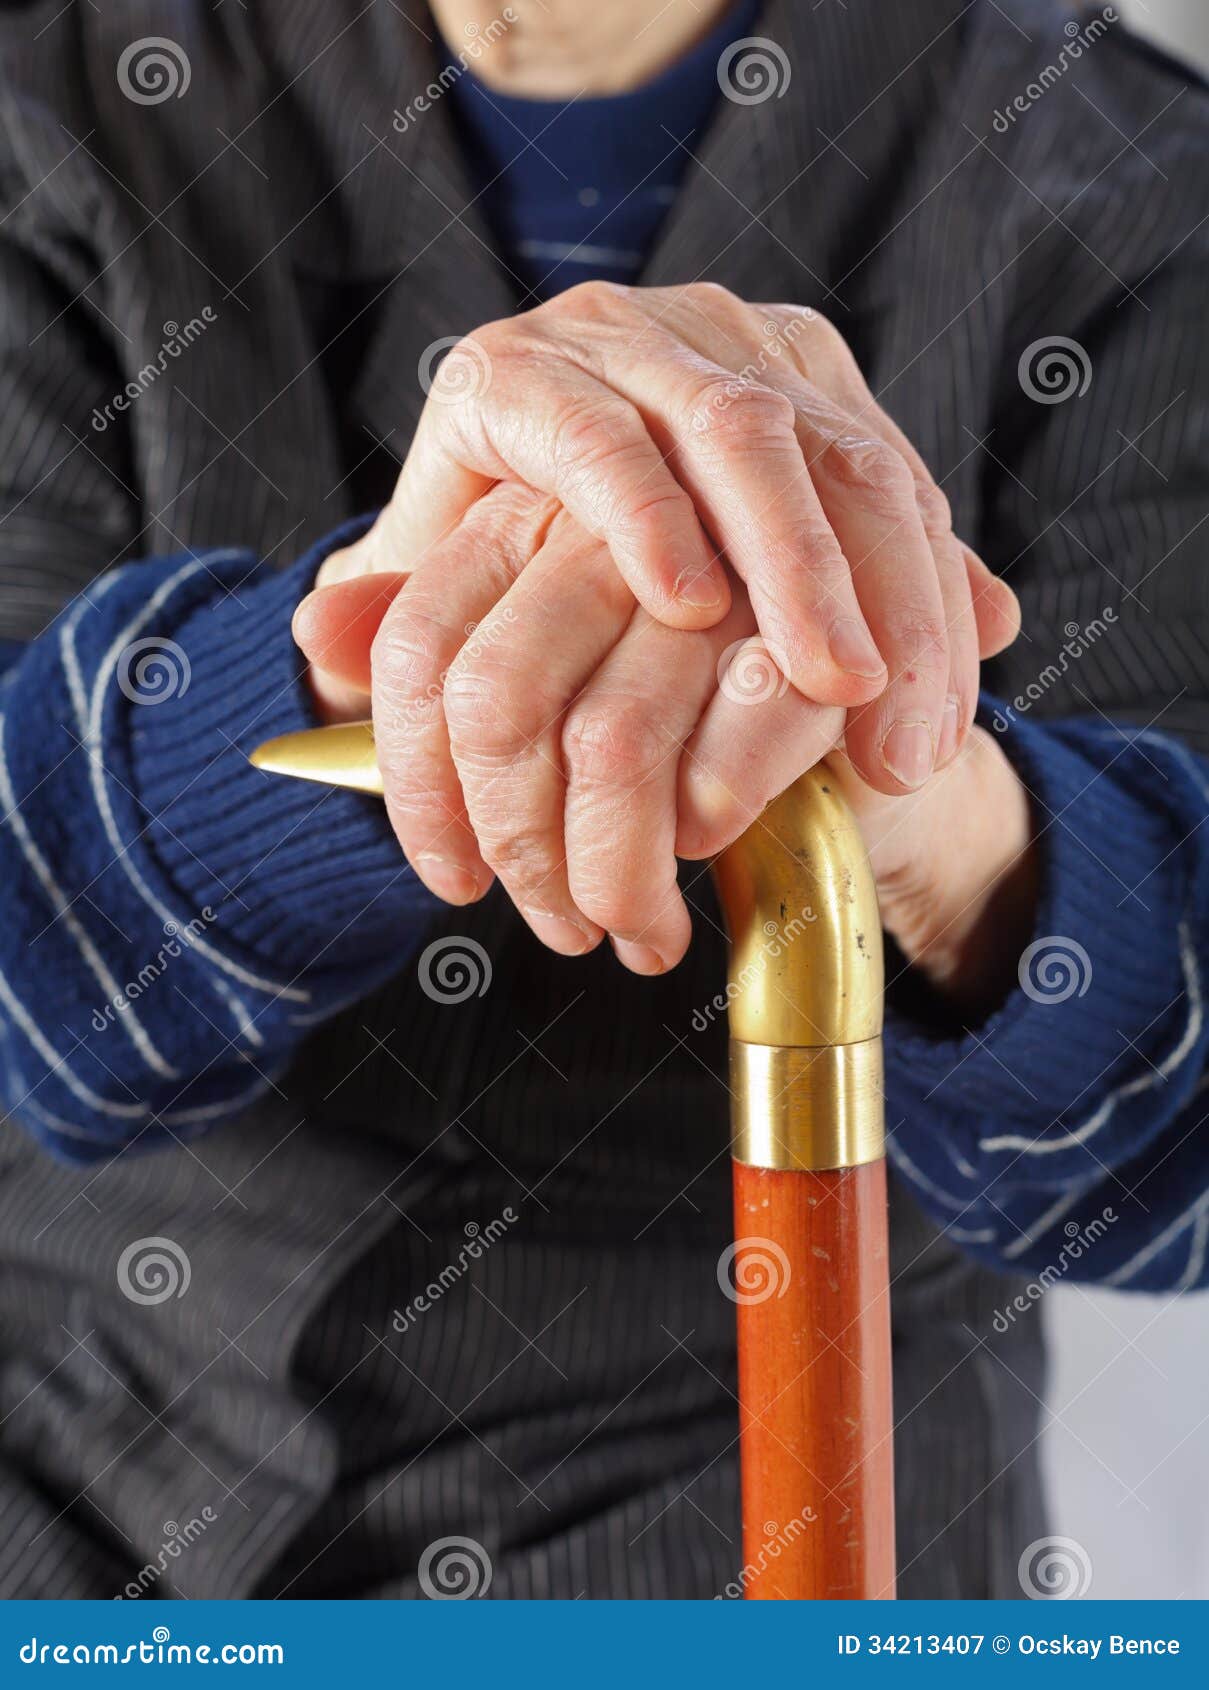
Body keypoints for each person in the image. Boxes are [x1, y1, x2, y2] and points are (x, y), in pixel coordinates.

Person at [0, 0, 1205, 1599]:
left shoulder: (1126, 176)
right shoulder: (56, 105)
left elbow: (1170, 1150)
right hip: (82, 1486)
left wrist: (918, 801)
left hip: (759, 1495)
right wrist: (402, 645)